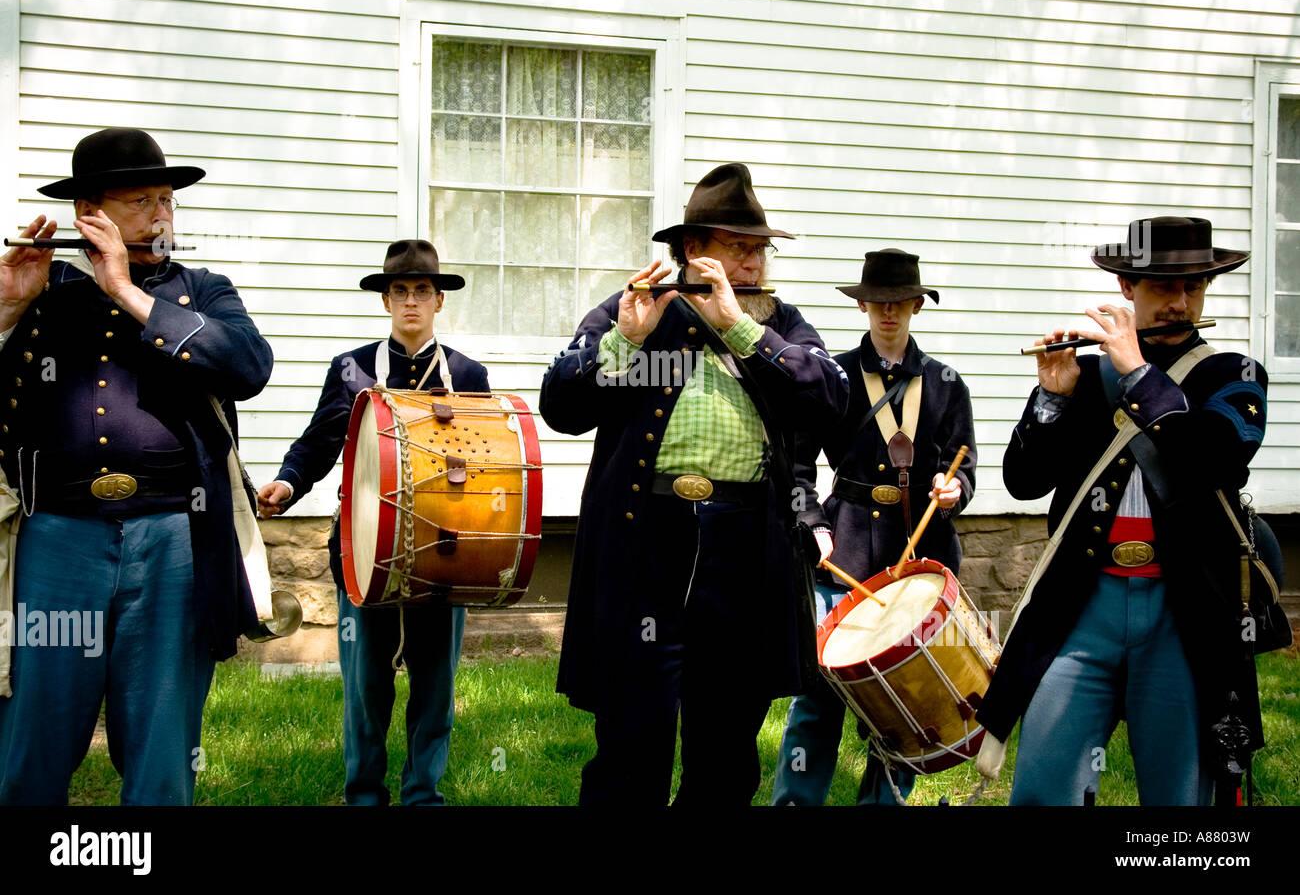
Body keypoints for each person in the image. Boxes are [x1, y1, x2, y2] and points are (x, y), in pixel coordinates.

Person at [540, 162, 849, 804]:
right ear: (691, 250)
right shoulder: (635, 310)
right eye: (738, 248)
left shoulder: (777, 326)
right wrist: (623, 344)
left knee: (726, 750)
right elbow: (560, 406)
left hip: (742, 551)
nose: (753, 263)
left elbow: (831, 400)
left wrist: (741, 328)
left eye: (759, 250)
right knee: (632, 741)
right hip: (646, 545)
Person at [0, 127, 273, 804]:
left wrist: (125, 289)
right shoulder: (44, 293)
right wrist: (6, 305)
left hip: (175, 537)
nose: (162, 216)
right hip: (58, 537)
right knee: (36, 727)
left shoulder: (204, 291)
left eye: (167, 200)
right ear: (90, 213)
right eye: (142, 201)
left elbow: (248, 367)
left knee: (161, 735)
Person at [977, 216, 1269, 805]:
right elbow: (1023, 483)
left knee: (1180, 793)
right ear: (1127, 288)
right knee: (1044, 782)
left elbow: (1212, 458)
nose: (1179, 302)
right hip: (1085, 600)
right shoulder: (1085, 374)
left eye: (1193, 287)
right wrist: (1050, 401)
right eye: (1162, 287)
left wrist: (1137, 373)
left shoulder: (1232, 375)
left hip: (1182, 606)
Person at [258, 239, 486, 805]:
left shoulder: (468, 373)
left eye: (422, 291)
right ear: (386, 300)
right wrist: (286, 484)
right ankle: (363, 793)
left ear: (439, 301)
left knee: (435, 683)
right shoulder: (351, 368)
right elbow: (318, 441)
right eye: (400, 291)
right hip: (361, 548)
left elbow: (486, 462)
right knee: (366, 683)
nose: (412, 301)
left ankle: (422, 793)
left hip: (443, 547)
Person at [772, 248, 976, 805]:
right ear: (862, 304)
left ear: (916, 305)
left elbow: (966, 462)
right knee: (819, 694)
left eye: (901, 303)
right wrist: (811, 521)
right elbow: (796, 463)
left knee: (906, 698)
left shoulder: (946, 382)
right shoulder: (831, 375)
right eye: (878, 303)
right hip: (847, 548)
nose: (889, 313)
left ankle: (883, 803)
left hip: (920, 558)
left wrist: (955, 491)